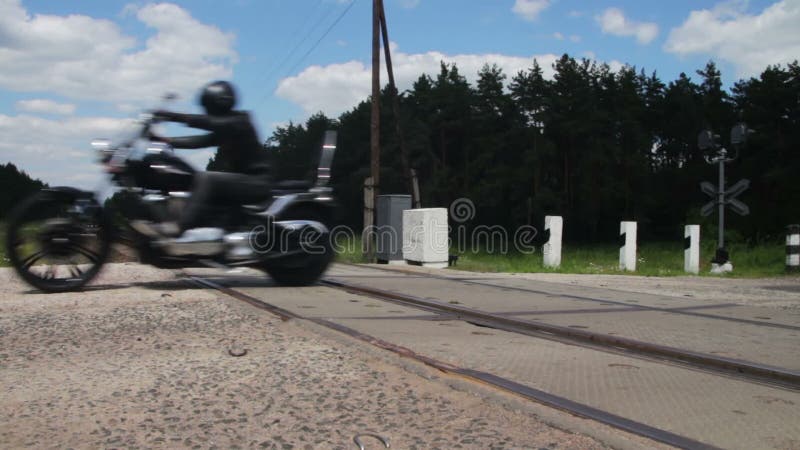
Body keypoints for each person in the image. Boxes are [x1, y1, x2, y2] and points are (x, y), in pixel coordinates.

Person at [149, 80, 272, 237]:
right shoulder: (227, 127)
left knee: (207, 178)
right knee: (191, 177)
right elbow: (200, 141)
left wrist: (171, 116)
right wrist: (166, 141)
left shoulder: (240, 121)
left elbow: (210, 122)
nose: (207, 111)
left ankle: (179, 227)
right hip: (244, 181)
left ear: (219, 103)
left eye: (208, 106)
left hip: (257, 182)